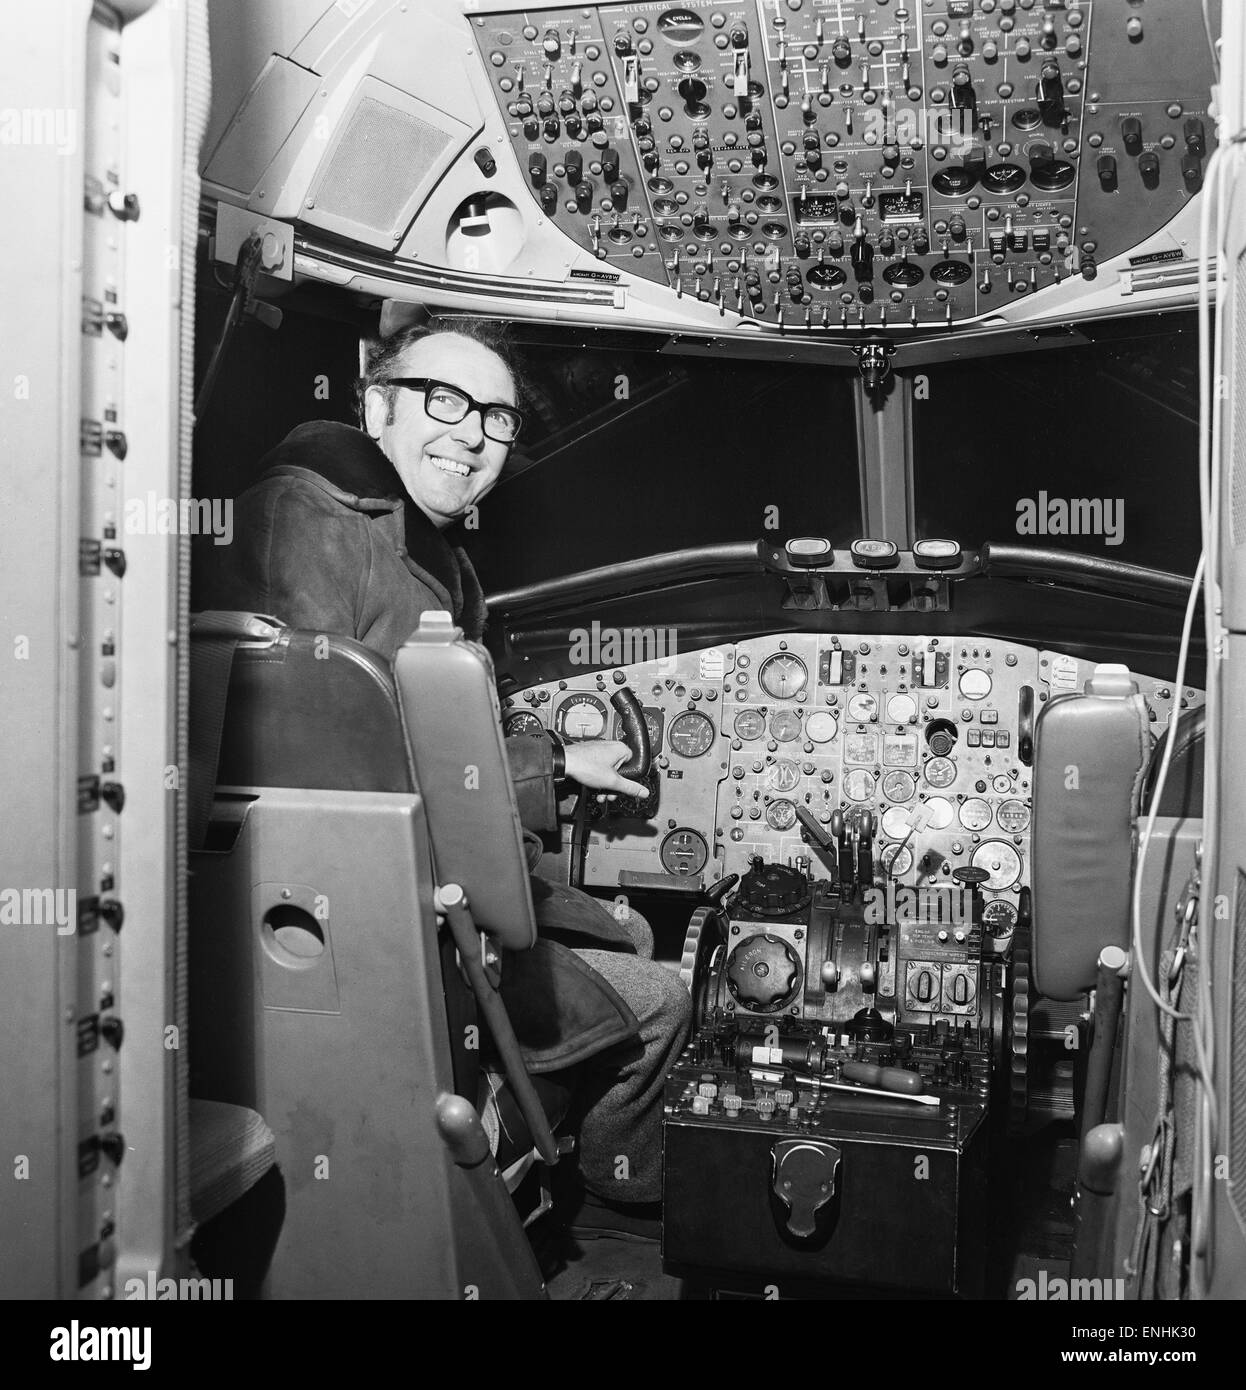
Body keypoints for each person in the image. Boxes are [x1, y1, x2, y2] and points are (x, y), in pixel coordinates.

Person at [197, 316, 691, 1210]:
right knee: (662, 1001)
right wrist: (540, 777)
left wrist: (558, 763)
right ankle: (636, 1195)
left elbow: (415, 734)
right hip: (383, 917)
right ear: (376, 406)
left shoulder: (423, 550)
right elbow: (321, 759)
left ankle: (552, 1154)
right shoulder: (306, 518)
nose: (472, 432)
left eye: (497, 417)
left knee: (631, 929)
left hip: (429, 885)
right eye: (446, 400)